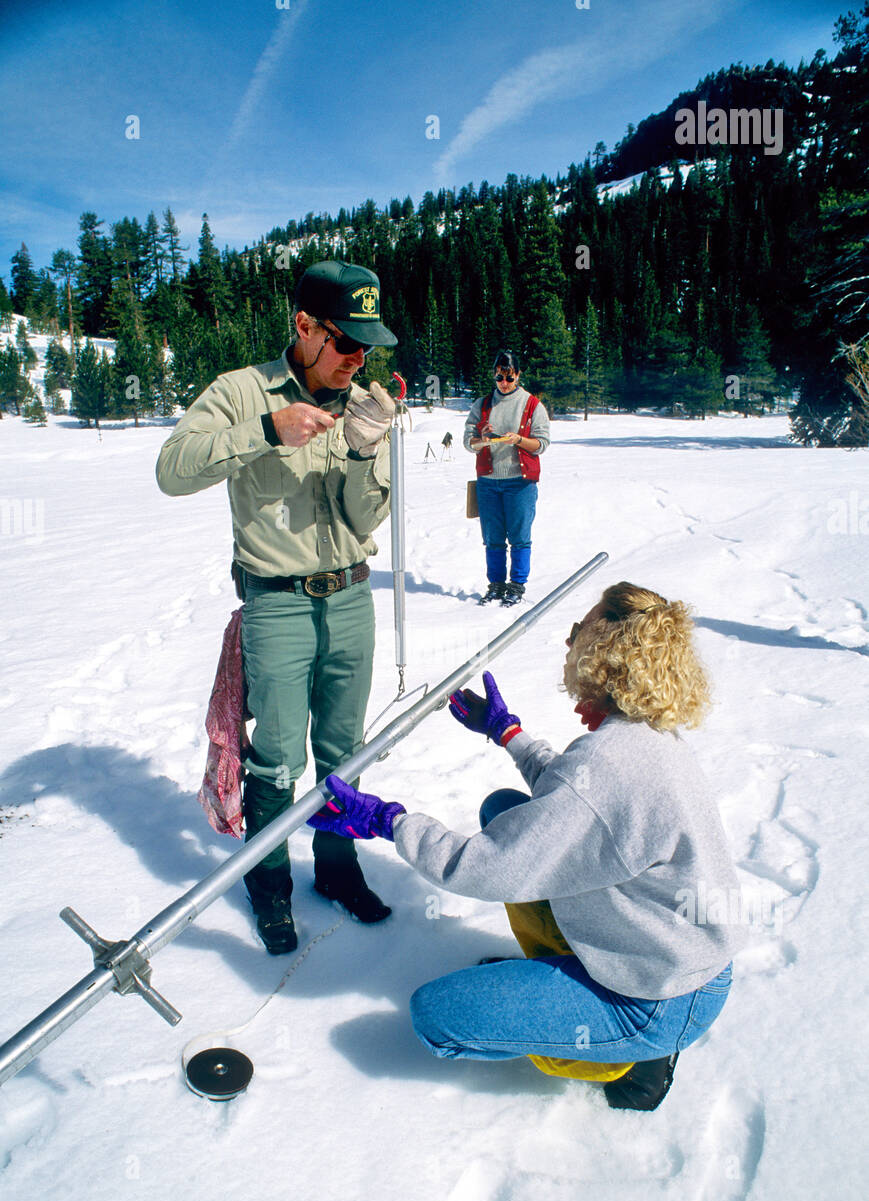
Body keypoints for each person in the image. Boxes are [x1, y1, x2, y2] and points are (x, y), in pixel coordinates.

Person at [307, 581, 744, 1111]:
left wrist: (389, 820)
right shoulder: (644, 736)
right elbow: (576, 799)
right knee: (506, 810)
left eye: (576, 632)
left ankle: (629, 1058)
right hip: (676, 953)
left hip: (655, 996)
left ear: (603, 657)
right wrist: (508, 733)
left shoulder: (608, 762)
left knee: (436, 1017)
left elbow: (483, 869)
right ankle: (561, 986)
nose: (568, 642)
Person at [157, 260, 398, 955]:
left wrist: (362, 452)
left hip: (352, 595)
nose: (357, 359)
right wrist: (266, 428)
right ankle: (268, 887)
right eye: (346, 342)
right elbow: (172, 470)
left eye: (366, 347)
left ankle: (337, 869)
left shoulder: (359, 402)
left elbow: (360, 518)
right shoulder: (241, 392)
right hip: (277, 603)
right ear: (304, 327)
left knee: (343, 752)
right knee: (275, 757)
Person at [463, 350, 550, 607]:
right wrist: (482, 438)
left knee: (520, 536)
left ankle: (517, 585)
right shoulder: (482, 404)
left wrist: (519, 440)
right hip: (489, 482)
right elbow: (469, 441)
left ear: (518, 375)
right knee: (493, 537)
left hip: (519, 482)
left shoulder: (532, 405)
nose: (504, 382)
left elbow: (542, 443)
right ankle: (496, 585)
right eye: (500, 377)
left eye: (509, 377)